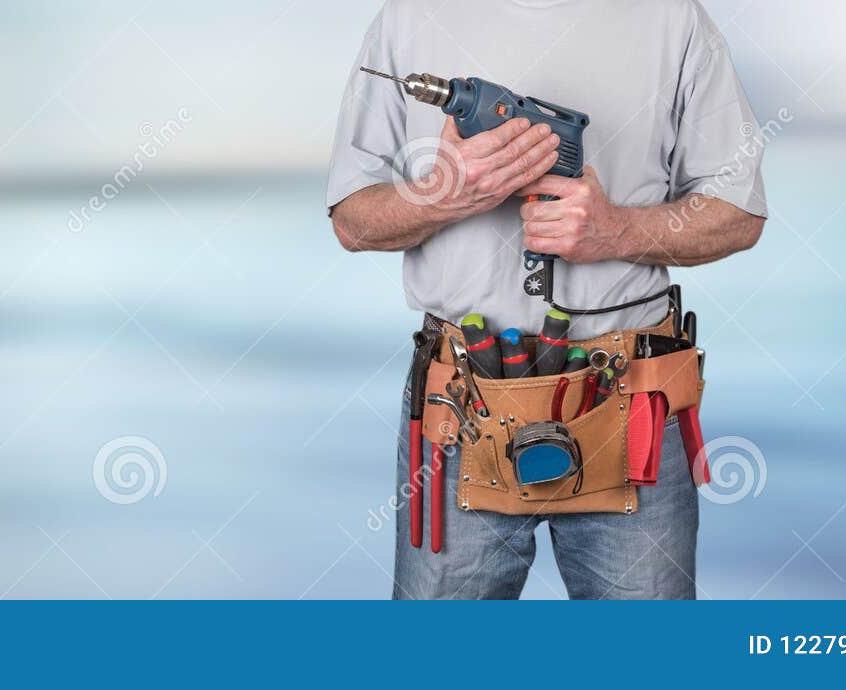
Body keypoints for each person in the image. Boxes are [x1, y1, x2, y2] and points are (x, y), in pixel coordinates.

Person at [325, 0, 767, 599]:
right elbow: (353, 221)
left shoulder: (672, 18)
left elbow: (738, 214)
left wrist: (616, 232)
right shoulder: (409, 17)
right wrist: (447, 193)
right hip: (461, 406)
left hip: (631, 401)